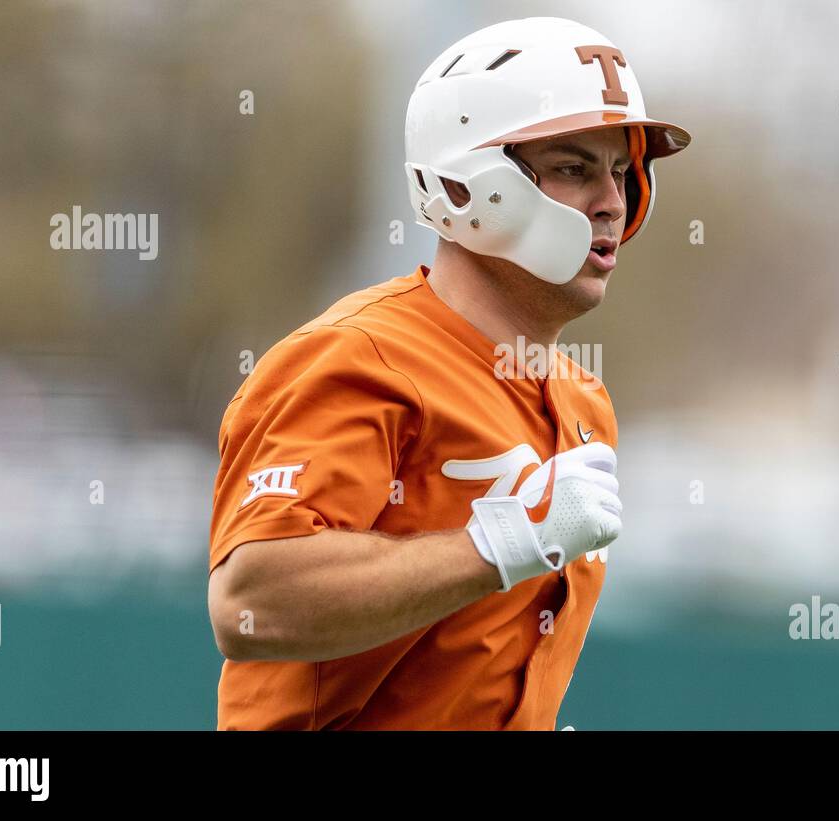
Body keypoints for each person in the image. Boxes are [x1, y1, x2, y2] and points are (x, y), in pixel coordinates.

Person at [206, 16, 690, 730]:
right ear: (472, 179)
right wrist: (500, 540)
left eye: (621, 171)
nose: (613, 201)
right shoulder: (357, 354)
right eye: (573, 167)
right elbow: (252, 602)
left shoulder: (584, 401)